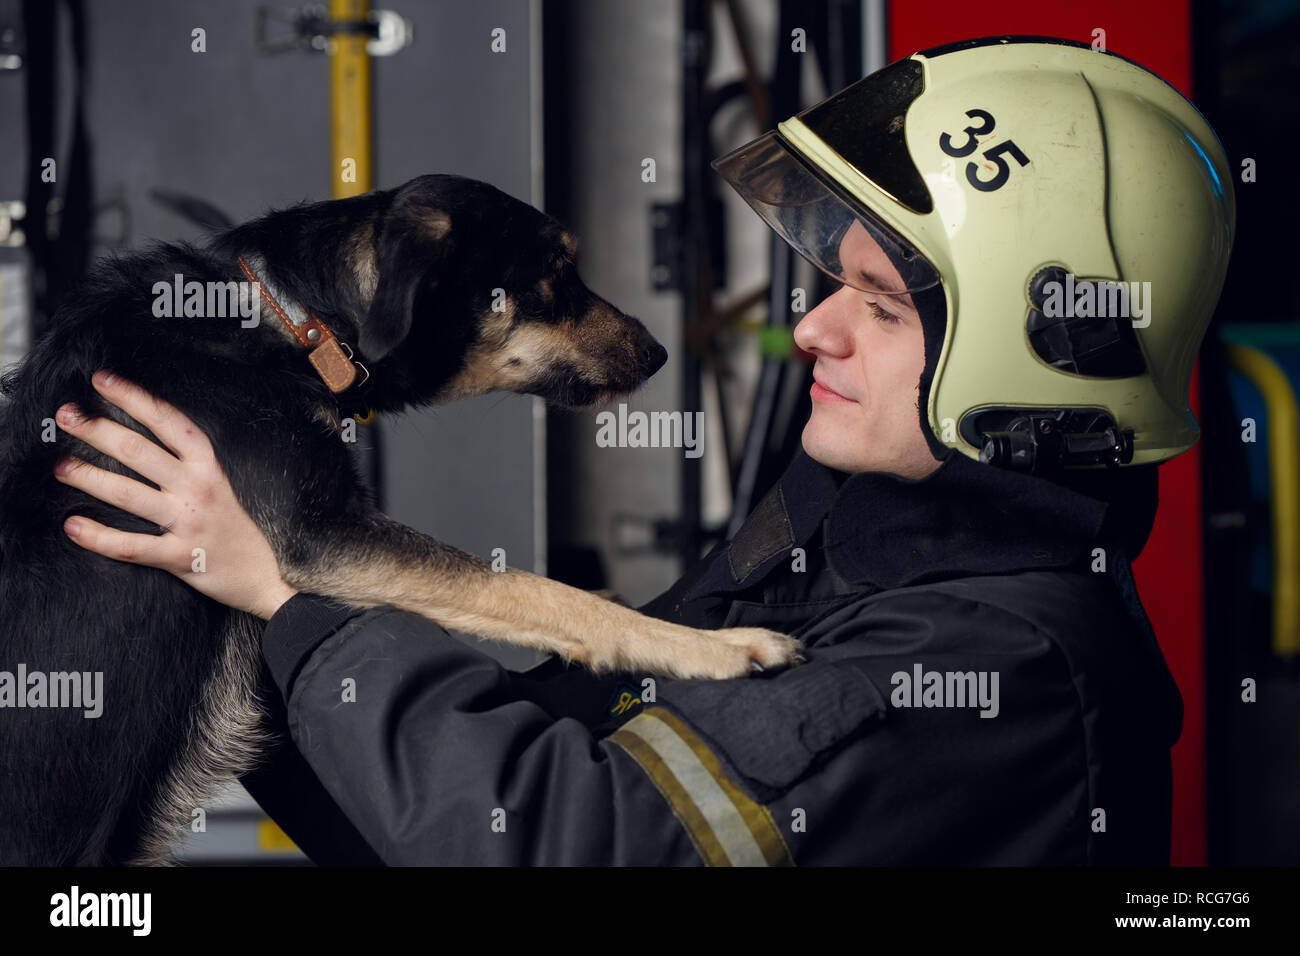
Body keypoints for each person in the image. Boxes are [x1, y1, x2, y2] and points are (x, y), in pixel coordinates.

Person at [50, 36, 1233, 865]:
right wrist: (241, 649)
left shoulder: (994, 666)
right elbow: (473, 795)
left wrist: (293, 603)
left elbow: (570, 836)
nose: (810, 326)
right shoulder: (831, 551)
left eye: (879, 305)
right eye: (835, 284)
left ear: (1040, 347)